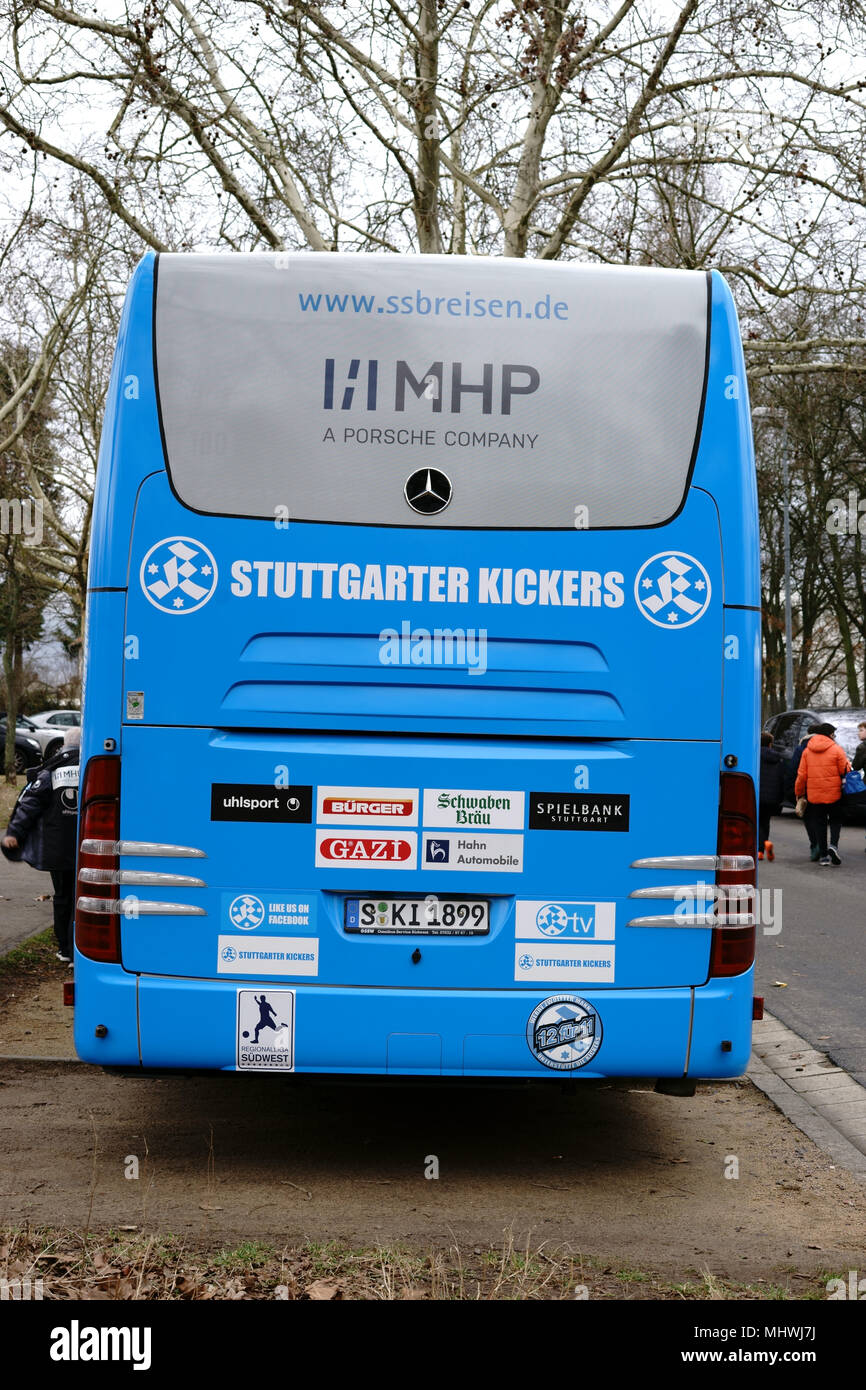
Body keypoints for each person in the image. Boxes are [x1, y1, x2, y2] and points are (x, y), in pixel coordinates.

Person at [1, 727, 80, 962]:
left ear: (63, 745)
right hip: (87, 846)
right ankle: (79, 950)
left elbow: (30, 804)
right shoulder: (92, 767)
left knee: (63, 896)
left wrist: (14, 832)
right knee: (82, 898)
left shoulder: (51, 771)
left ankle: (65, 950)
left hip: (58, 847)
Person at [794, 722, 850, 866]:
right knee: (836, 821)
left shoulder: (807, 751)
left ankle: (824, 856)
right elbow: (844, 770)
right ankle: (833, 846)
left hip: (814, 795)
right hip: (834, 793)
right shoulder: (836, 749)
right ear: (830, 735)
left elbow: (801, 775)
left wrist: (799, 793)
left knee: (820, 823)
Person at [788, 723, 822, 860]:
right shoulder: (830, 746)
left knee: (808, 818)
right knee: (821, 817)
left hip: (807, 787)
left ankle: (815, 845)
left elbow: (794, 769)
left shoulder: (801, 748)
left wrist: (793, 790)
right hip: (824, 786)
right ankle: (824, 845)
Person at [758, 731, 784, 861]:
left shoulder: (754, 756)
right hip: (772, 796)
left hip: (757, 794)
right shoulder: (777, 759)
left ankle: (759, 850)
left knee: (756, 822)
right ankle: (765, 843)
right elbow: (781, 778)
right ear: (770, 744)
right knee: (766, 821)